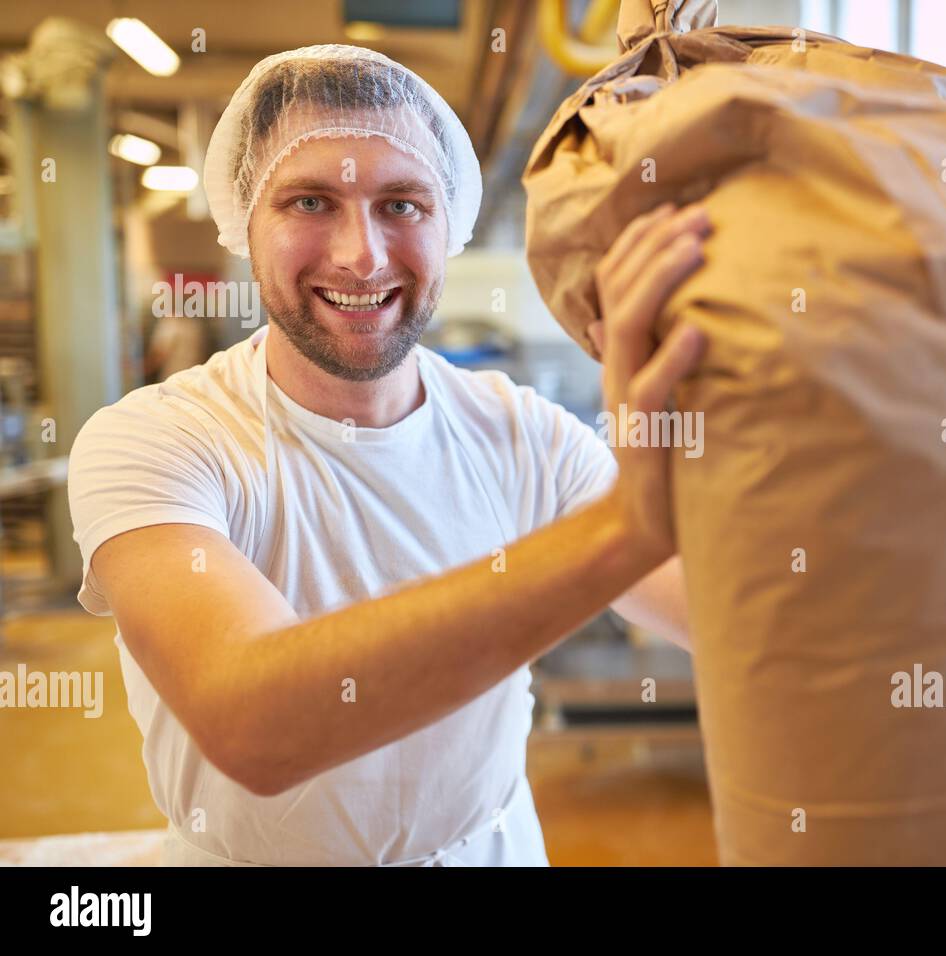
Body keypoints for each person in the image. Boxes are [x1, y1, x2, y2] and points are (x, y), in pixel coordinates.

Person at [67, 45, 709, 866]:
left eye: (402, 203)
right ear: (245, 223)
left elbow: (728, 613)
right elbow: (255, 720)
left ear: (450, 224)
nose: (361, 256)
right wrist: (623, 530)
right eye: (309, 201)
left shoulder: (527, 438)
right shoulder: (160, 440)